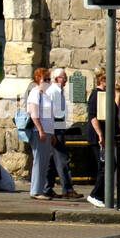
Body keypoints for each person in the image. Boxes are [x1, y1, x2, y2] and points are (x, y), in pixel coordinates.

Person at [86, 70, 120, 209]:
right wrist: (100, 134)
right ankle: (95, 195)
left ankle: (101, 195)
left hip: (106, 135)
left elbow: (114, 112)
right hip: (99, 136)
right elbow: (93, 116)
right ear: (102, 80)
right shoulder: (96, 94)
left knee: (109, 165)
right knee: (107, 165)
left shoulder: (106, 95)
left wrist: (118, 94)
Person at [44, 67, 82, 199]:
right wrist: (54, 132)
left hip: (58, 126)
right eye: (64, 77)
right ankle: (67, 189)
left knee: (51, 160)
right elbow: (50, 114)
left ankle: (47, 188)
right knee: (62, 159)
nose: (66, 80)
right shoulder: (53, 92)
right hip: (55, 127)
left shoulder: (58, 91)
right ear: (56, 79)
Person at [26, 67, 56, 201]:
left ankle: (41, 189)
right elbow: (34, 113)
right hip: (39, 131)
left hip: (48, 131)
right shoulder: (35, 92)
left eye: (49, 79)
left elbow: (50, 116)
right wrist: (40, 130)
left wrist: (52, 133)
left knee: (45, 162)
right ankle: (35, 190)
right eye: (45, 79)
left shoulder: (46, 94)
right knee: (39, 160)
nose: (48, 81)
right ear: (38, 79)